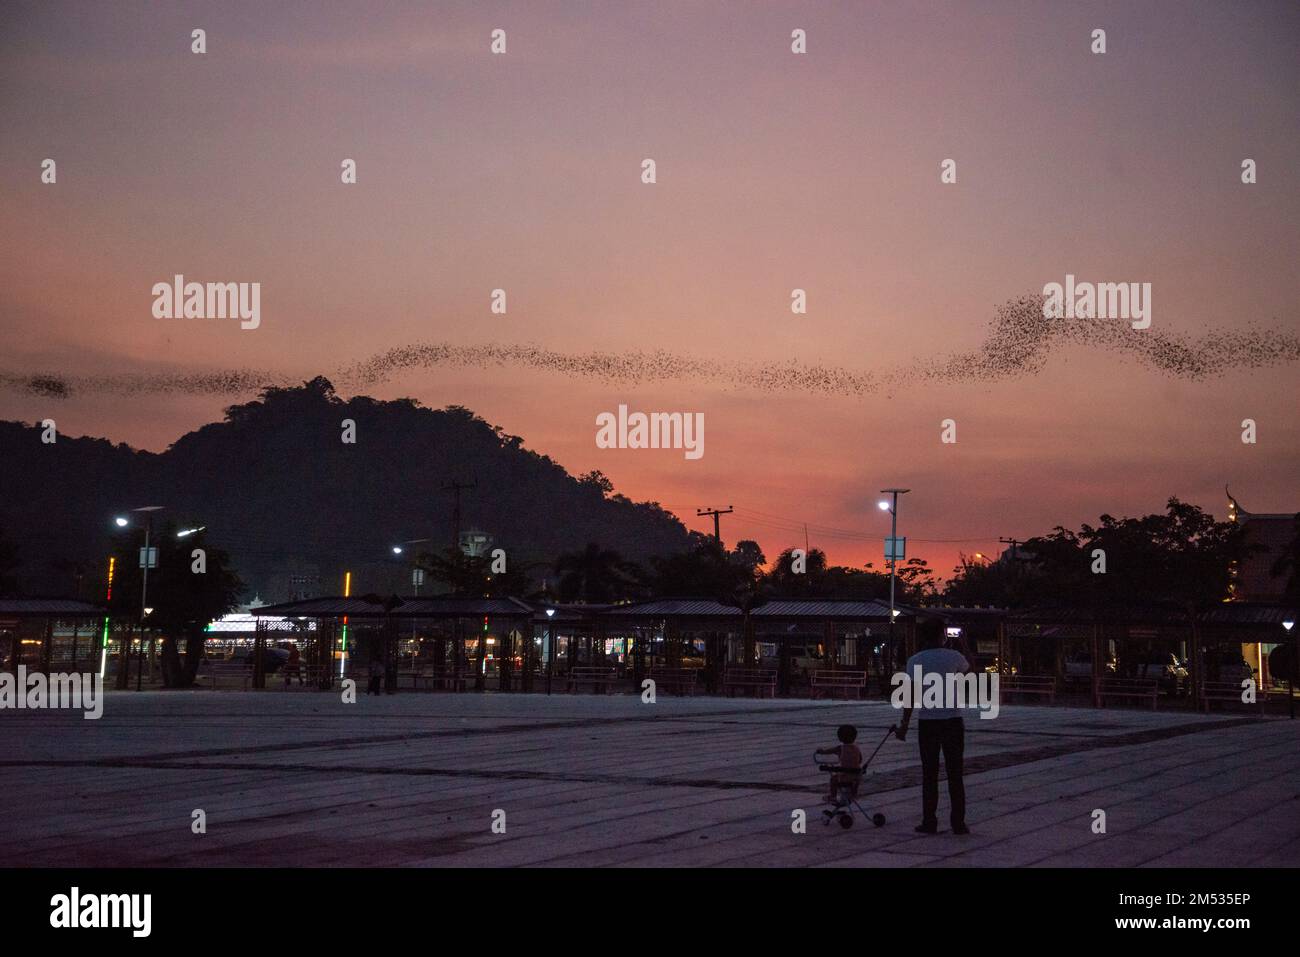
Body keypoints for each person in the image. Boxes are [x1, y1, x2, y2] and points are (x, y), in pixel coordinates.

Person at [895, 619, 972, 835]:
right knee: (955, 773)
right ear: (942, 635)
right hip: (953, 721)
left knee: (929, 774)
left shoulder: (915, 661)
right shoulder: (954, 657)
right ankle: (958, 822)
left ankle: (929, 820)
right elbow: (968, 671)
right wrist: (963, 645)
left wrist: (904, 724)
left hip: (928, 721)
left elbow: (910, 695)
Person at [815, 724, 863, 804]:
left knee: (834, 779)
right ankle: (853, 794)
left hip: (845, 776)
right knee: (855, 777)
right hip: (856, 775)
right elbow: (860, 760)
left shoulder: (841, 748)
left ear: (840, 738)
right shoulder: (856, 748)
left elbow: (828, 751)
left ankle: (833, 796)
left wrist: (821, 751)